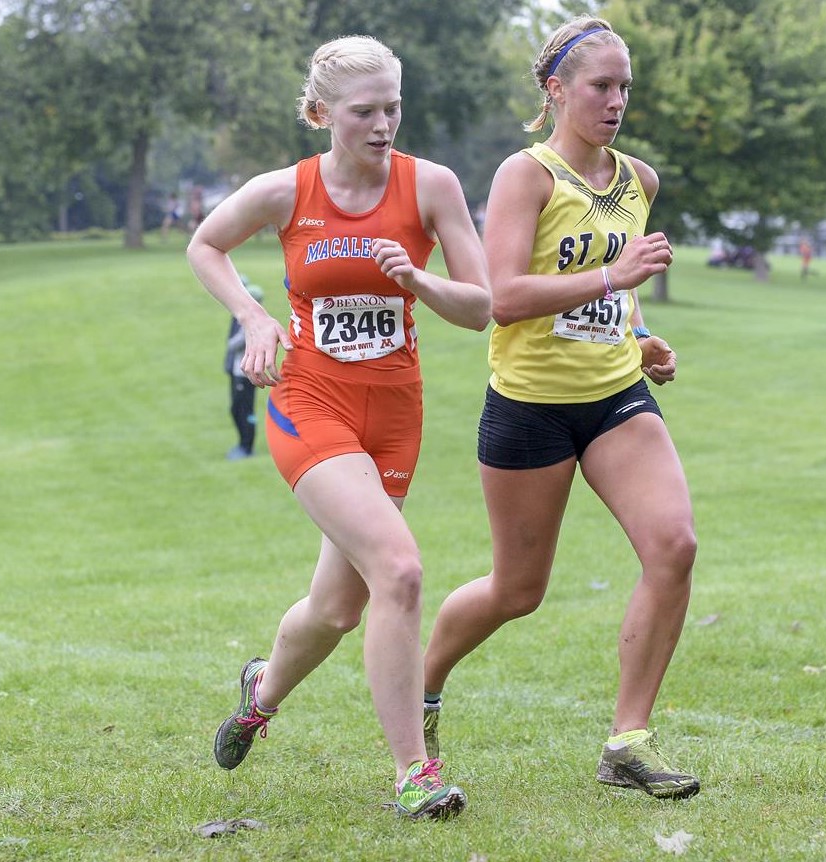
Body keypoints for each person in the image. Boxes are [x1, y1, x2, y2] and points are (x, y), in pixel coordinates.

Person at [186, 34, 490, 820]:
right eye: (364, 111)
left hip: (395, 413)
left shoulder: (433, 187)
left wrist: (417, 278)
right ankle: (415, 774)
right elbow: (206, 245)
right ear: (322, 113)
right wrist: (253, 316)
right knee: (400, 569)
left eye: (393, 106)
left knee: (337, 607)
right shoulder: (284, 191)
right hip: (307, 399)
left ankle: (261, 692)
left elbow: (480, 306)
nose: (383, 122)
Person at [420, 15, 700, 801]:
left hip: (614, 395)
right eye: (600, 87)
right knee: (518, 591)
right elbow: (503, 298)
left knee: (673, 546)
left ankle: (628, 741)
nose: (615, 102)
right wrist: (615, 280)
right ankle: (426, 679)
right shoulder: (527, 175)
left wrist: (643, 335)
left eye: (623, 89)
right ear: (556, 91)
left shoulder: (636, 180)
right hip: (530, 407)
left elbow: (620, 294)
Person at [225, 277, 266, 460]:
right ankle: (242, 444)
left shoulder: (251, 320)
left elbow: (237, 342)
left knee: (245, 410)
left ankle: (247, 447)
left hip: (246, 371)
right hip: (237, 370)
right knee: (236, 408)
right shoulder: (240, 317)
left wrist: (230, 343)